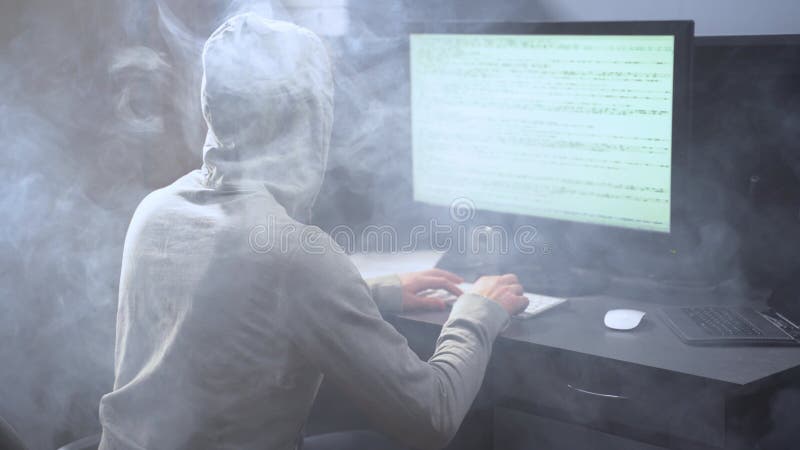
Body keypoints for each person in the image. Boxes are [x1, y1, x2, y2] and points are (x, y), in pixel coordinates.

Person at [98, 13, 528, 450]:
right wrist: (476, 313)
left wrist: (371, 293)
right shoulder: (294, 257)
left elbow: (233, 309)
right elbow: (432, 418)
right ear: (308, 114)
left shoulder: (155, 211)